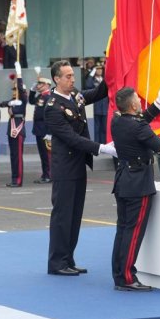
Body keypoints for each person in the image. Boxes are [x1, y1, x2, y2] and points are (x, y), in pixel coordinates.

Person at [109, 86, 160, 292]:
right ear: (133, 105)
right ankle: (127, 278)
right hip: (138, 184)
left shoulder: (117, 120)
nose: (140, 103)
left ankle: (119, 273)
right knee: (133, 232)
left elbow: (140, 121)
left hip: (124, 179)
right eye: (138, 100)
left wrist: (157, 105)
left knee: (123, 229)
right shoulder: (138, 127)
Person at [45, 60, 114, 275]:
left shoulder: (76, 96)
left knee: (75, 216)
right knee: (62, 216)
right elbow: (71, 138)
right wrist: (101, 148)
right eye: (67, 76)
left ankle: (68, 259)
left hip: (77, 166)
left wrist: (112, 63)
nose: (72, 79)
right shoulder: (52, 107)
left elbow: (100, 91)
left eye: (73, 76)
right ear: (56, 79)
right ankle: (57, 263)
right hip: (64, 168)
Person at [1, 69, 28, 187]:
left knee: (17, 156)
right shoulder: (13, 101)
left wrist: (19, 75)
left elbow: (21, 90)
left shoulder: (23, 100)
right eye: (13, 89)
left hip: (18, 130)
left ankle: (18, 180)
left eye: (15, 89)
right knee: (13, 156)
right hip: (11, 130)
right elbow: (1, 103)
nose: (14, 91)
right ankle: (13, 178)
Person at [30, 73, 53, 183]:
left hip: (45, 130)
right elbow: (30, 101)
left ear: (47, 85)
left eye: (40, 84)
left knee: (47, 155)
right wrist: (32, 90)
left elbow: (50, 116)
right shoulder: (40, 96)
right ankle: (45, 174)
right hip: (39, 129)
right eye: (38, 84)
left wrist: (49, 132)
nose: (38, 85)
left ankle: (49, 175)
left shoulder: (49, 97)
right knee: (42, 155)